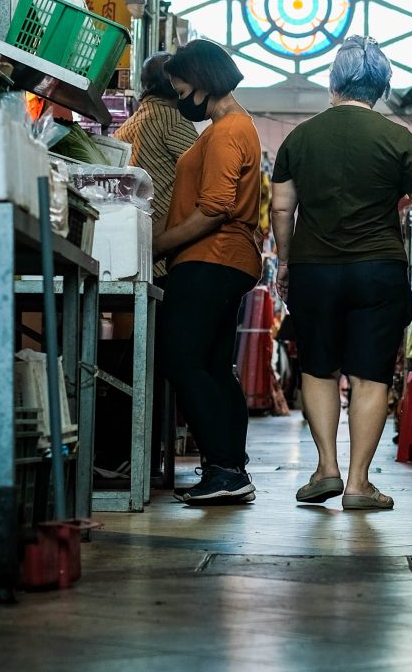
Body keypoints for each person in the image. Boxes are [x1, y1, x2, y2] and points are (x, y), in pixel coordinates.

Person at [270, 36, 412, 512]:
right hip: (377, 270)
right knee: (369, 375)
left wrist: (286, 261)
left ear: (333, 84)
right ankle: (358, 483)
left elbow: (281, 207)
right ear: (382, 88)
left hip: (314, 270)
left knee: (319, 368)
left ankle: (326, 468)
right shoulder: (396, 137)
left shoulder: (299, 138)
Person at [155, 39, 263, 506]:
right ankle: (230, 468)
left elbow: (214, 208)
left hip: (209, 257)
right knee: (215, 367)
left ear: (202, 82)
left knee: (182, 361)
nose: (180, 99)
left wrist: (156, 244)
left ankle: (223, 467)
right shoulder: (237, 126)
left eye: (181, 90)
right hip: (225, 260)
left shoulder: (225, 131)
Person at [114, 53, 197, 282]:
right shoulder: (172, 120)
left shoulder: (126, 126)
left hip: (133, 246)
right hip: (164, 251)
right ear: (177, 83)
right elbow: (206, 173)